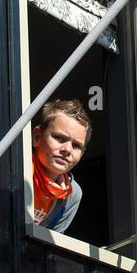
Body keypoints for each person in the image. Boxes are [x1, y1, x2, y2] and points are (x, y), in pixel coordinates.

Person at [29, 98, 91, 235]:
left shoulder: (72, 194)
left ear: (81, 155)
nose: (67, 149)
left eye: (76, 145)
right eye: (59, 138)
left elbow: (52, 245)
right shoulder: (20, 170)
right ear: (37, 137)